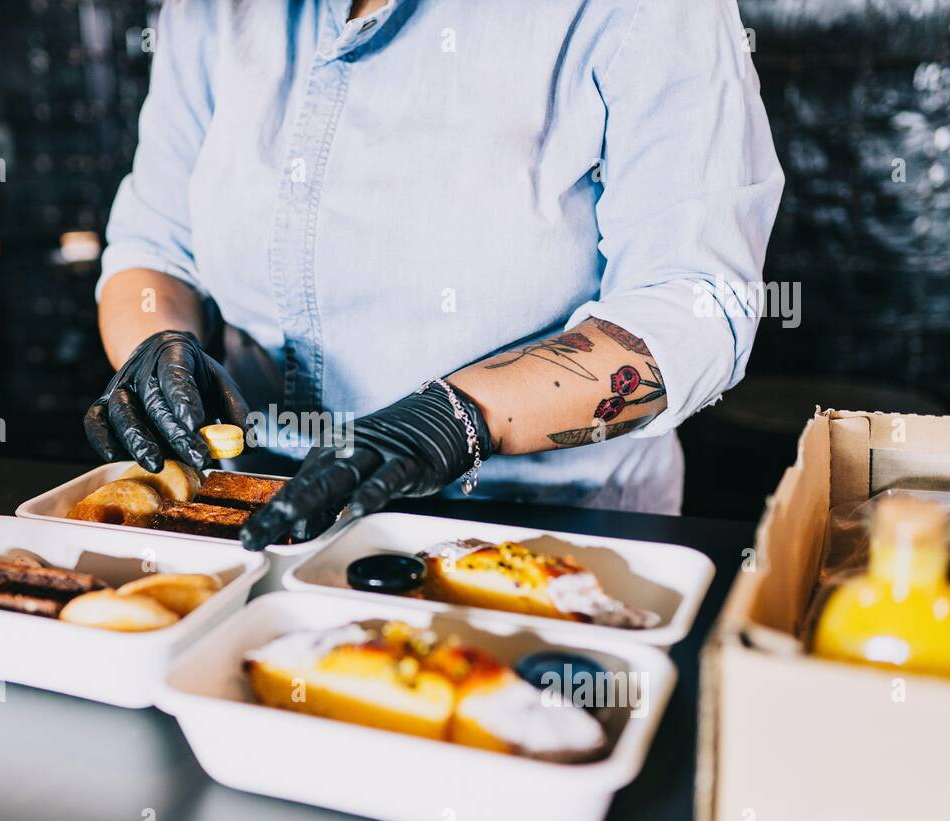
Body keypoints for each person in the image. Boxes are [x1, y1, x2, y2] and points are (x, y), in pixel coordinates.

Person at [86, 0, 784, 550]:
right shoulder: (207, 14)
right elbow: (153, 248)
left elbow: (697, 301)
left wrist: (458, 418)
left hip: (540, 535)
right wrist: (157, 345)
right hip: (247, 516)